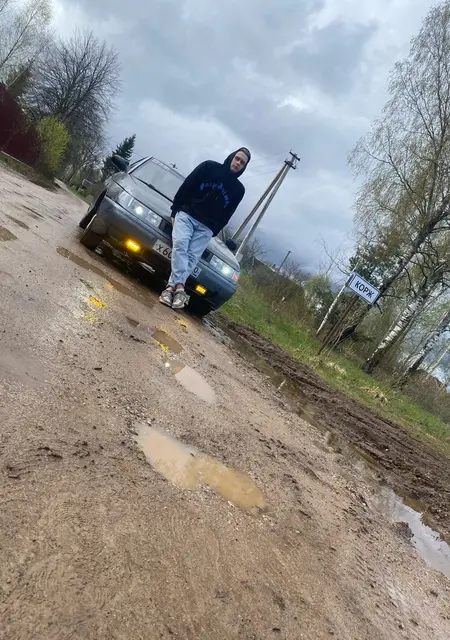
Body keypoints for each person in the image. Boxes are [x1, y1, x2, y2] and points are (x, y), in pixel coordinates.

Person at [159, 147, 251, 310]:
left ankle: (170, 289)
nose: (238, 163)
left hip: (206, 227)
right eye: (237, 158)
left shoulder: (239, 189)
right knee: (180, 244)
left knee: (192, 257)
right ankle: (179, 288)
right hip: (187, 214)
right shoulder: (209, 167)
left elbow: (228, 213)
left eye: (242, 162)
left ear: (244, 167)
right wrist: (175, 209)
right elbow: (188, 185)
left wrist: (214, 230)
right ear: (231, 157)